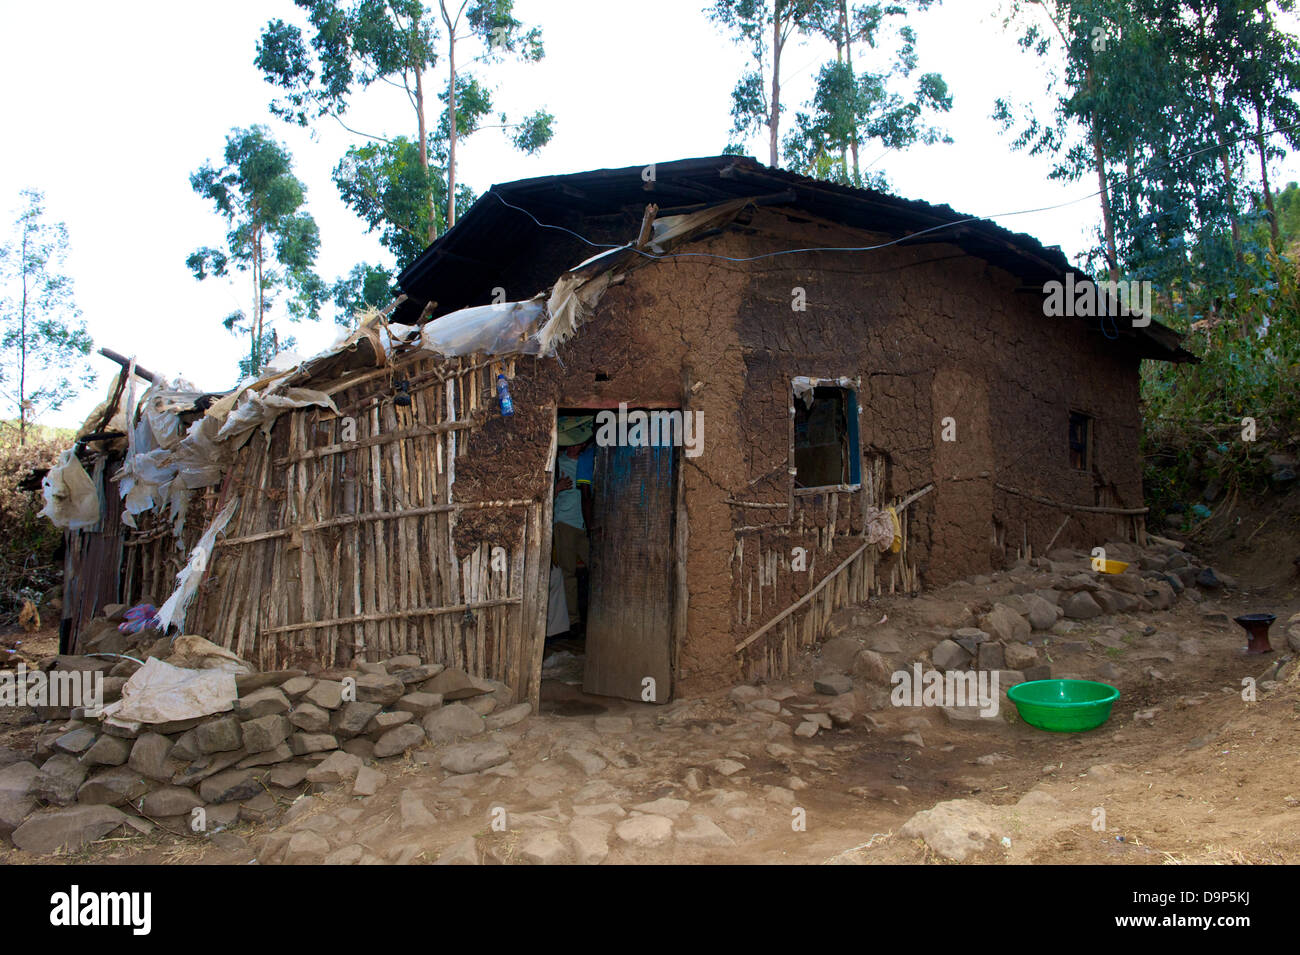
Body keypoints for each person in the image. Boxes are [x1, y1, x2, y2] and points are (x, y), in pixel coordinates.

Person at [553, 418, 595, 634]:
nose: (577, 445)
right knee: (568, 573)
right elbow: (541, 497)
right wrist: (557, 488)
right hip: (565, 524)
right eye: (574, 441)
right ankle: (573, 620)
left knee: (596, 568)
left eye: (580, 441)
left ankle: (595, 616)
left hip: (584, 524)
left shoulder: (589, 461)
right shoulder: (556, 463)